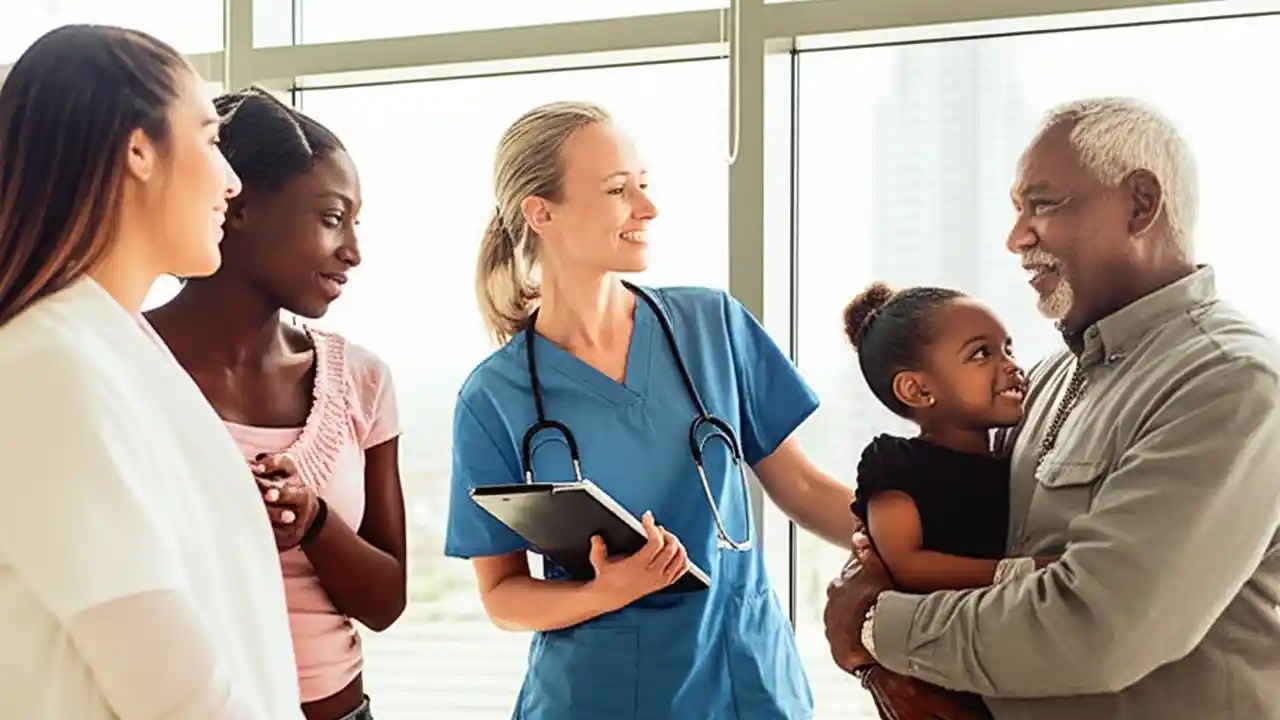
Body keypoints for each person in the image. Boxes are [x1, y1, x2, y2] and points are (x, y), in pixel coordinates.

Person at [824, 96, 1280, 719]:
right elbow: (939, 539)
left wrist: (875, 626)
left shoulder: (1228, 381)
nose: (1016, 238)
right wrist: (878, 648)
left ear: (1140, 205)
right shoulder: (1043, 382)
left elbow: (1095, 630)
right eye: (1017, 209)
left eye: (1043, 204)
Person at [444, 100, 856, 719]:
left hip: (747, 688)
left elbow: (801, 487)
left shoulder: (711, 327)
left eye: (643, 184)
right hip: (595, 699)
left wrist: (926, 552)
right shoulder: (494, 397)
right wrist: (607, 592)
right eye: (618, 190)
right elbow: (503, 594)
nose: (648, 208)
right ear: (541, 213)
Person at [0, 25, 300, 719]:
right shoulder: (51, 366)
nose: (230, 181)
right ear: (138, 150)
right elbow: (176, 695)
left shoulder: (109, 347)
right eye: (210, 139)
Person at [146, 87, 406, 720]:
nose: (354, 250)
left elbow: (385, 603)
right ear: (237, 207)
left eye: (355, 222)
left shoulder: (362, 380)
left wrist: (314, 523)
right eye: (331, 217)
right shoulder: (123, 360)